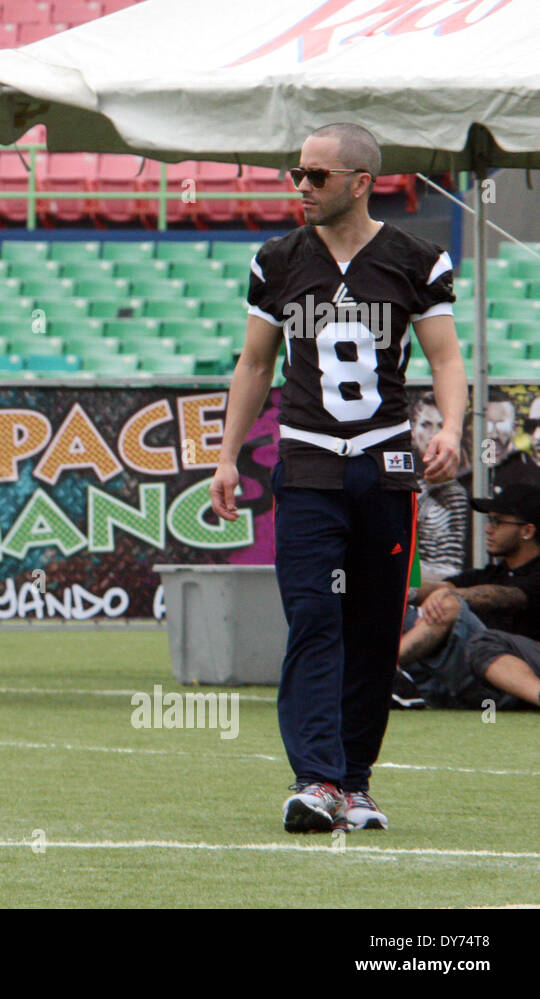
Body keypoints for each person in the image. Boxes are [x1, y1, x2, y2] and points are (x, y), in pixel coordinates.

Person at [212, 122, 467, 833]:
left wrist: (449, 428)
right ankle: (317, 778)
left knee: (374, 624)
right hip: (309, 463)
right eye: (298, 173)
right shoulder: (278, 259)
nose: (301, 186)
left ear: (362, 182)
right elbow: (255, 364)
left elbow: (446, 359)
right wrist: (227, 456)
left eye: (317, 176)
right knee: (314, 617)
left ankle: (355, 782)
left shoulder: (417, 259)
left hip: (385, 465)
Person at [399, 484, 540, 707]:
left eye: (498, 522)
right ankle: (402, 688)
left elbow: (510, 596)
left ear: (527, 531)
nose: (488, 529)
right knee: (398, 607)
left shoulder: (534, 574)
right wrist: (402, 591)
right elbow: (439, 587)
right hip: (468, 683)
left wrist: (451, 595)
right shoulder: (492, 572)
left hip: (512, 685)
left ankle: (379, 670)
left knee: (451, 607)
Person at [409, 392, 468, 583]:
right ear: (412, 429)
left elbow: (449, 570)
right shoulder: (401, 478)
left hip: (425, 595)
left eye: (441, 427)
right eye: (426, 425)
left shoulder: (452, 494)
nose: (433, 435)